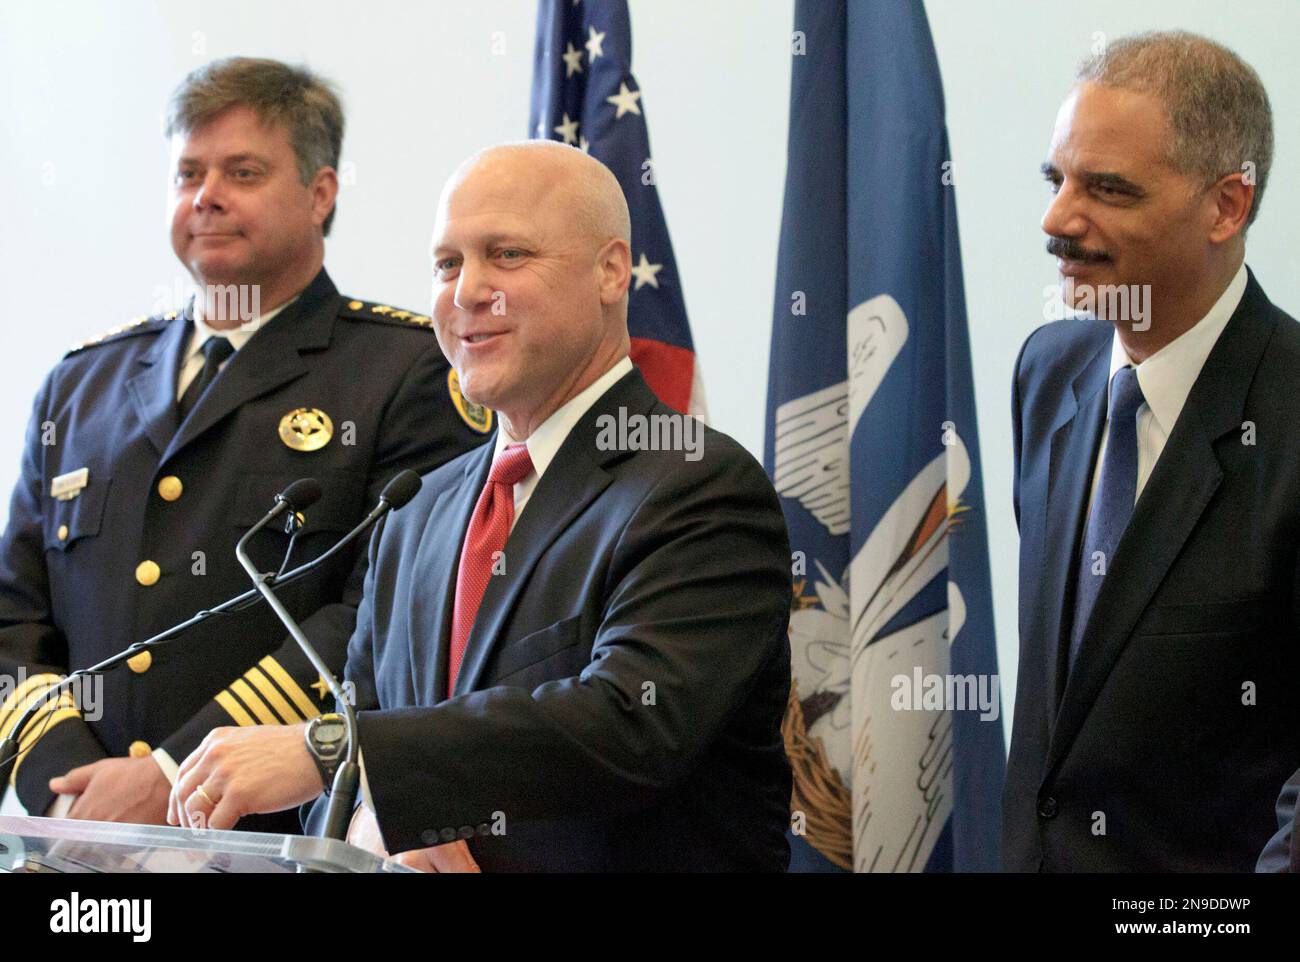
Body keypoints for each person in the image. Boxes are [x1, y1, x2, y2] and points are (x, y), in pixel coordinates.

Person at [167, 141, 794, 872]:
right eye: (447, 264)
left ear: (611, 271)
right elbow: (364, 740)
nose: (467, 291)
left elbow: (631, 724)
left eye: (507, 255)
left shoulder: (699, 486)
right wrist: (373, 822)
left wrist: (336, 751)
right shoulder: (415, 510)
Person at [0, 57, 488, 833]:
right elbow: (14, 617)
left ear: (321, 192)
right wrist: (66, 781)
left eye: (243, 171)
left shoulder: (409, 372)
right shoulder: (78, 385)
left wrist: (172, 777)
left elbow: (385, 616)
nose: (207, 196)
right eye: (187, 172)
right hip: (76, 841)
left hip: (277, 831)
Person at [1003, 30, 1299, 872]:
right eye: (1055, 180)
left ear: (1226, 206)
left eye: (1107, 189)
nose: (1057, 220)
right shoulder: (1046, 371)